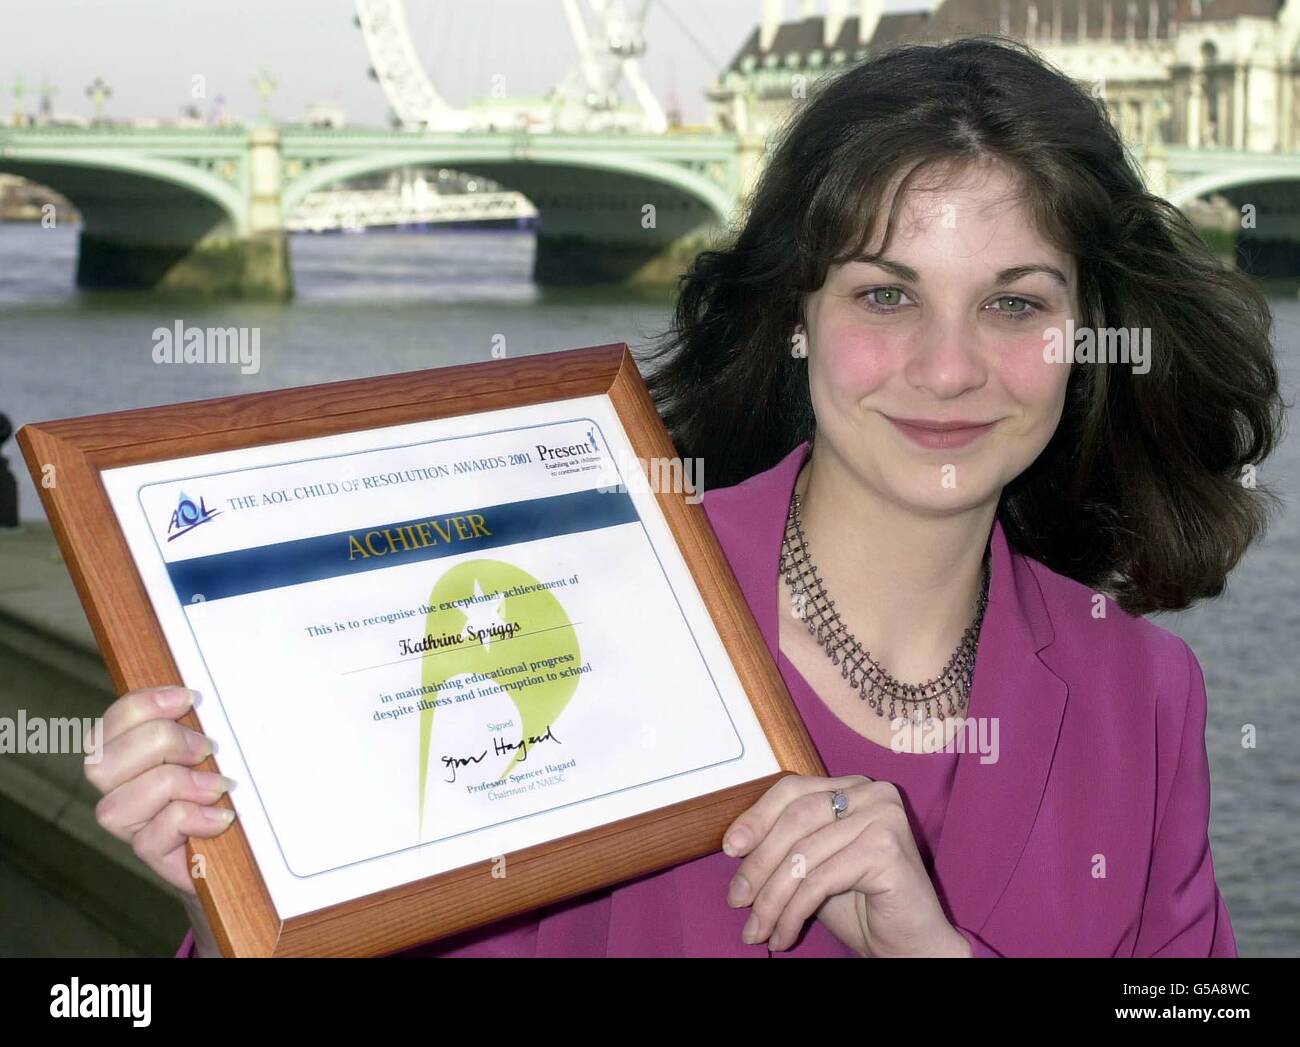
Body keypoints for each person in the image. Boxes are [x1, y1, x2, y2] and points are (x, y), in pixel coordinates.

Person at [87, 36, 1284, 957]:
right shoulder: (577, 609)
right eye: (883, 296)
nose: (949, 366)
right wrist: (248, 888)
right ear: (795, 316)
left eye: (1015, 303)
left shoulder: (1145, 694)